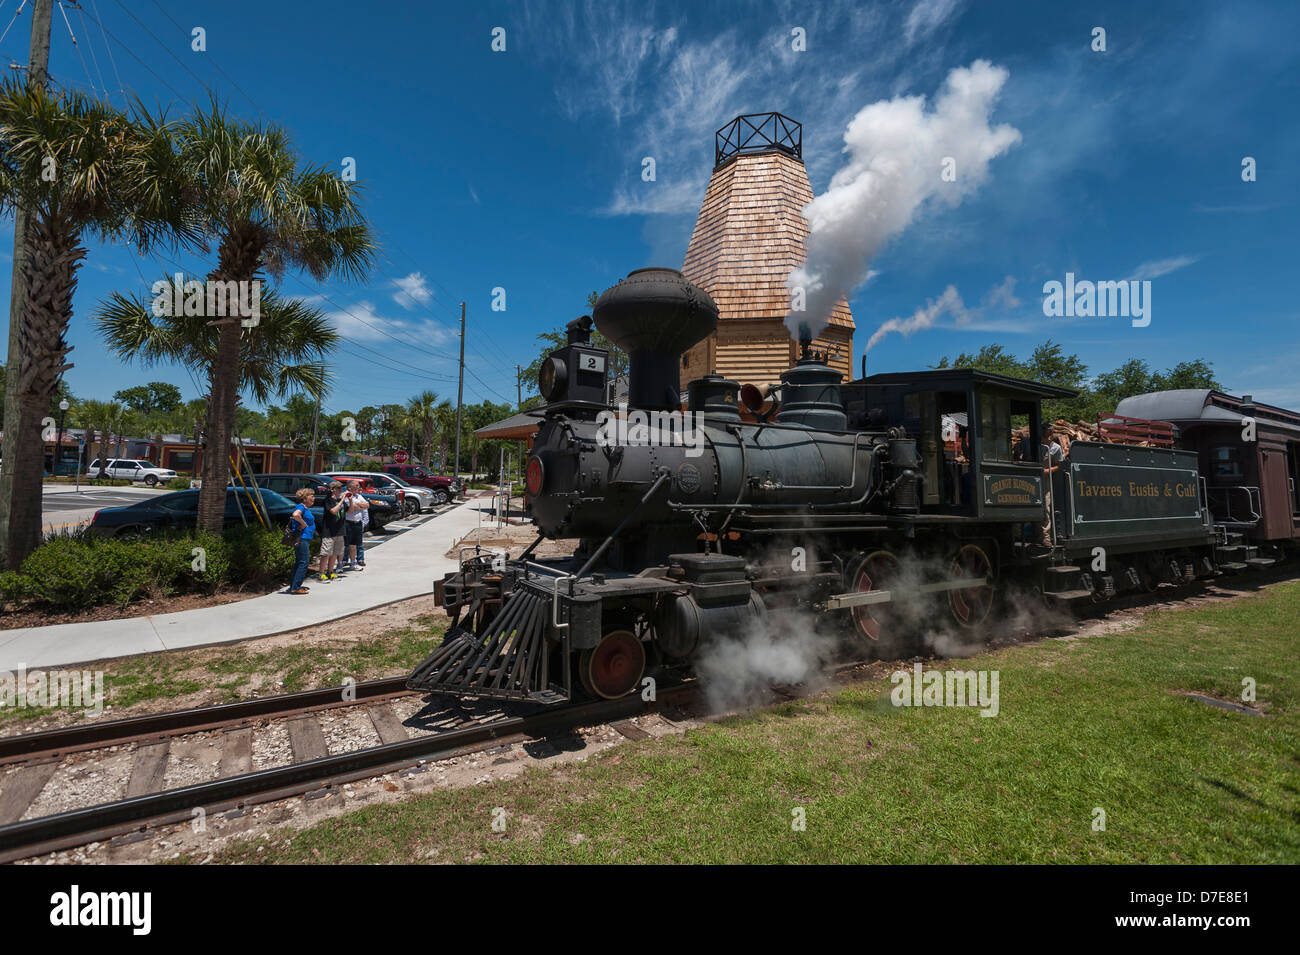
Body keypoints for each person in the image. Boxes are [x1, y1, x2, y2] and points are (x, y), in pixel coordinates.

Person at [288, 487, 316, 595]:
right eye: (311, 496)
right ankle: (296, 587)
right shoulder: (301, 507)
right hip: (302, 538)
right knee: (304, 562)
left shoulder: (304, 508)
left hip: (303, 538)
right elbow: (296, 515)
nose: (313, 498)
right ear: (304, 498)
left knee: (300, 562)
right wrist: (304, 524)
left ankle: (294, 585)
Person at [317, 482, 346, 582]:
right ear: (332, 489)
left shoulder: (340, 500)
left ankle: (330, 572)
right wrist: (342, 500)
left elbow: (350, 511)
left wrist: (349, 500)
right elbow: (333, 511)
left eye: (341, 488)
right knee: (326, 553)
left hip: (339, 530)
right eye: (338, 488)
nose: (340, 490)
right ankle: (321, 573)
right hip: (329, 530)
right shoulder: (328, 500)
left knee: (335, 553)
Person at [341, 479, 369, 571]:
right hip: (348, 523)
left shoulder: (359, 496)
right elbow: (351, 509)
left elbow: (367, 505)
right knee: (345, 544)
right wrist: (359, 506)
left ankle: (353, 563)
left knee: (354, 544)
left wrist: (358, 505)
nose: (359, 487)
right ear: (349, 487)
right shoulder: (345, 496)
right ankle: (342, 562)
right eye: (356, 485)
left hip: (357, 523)